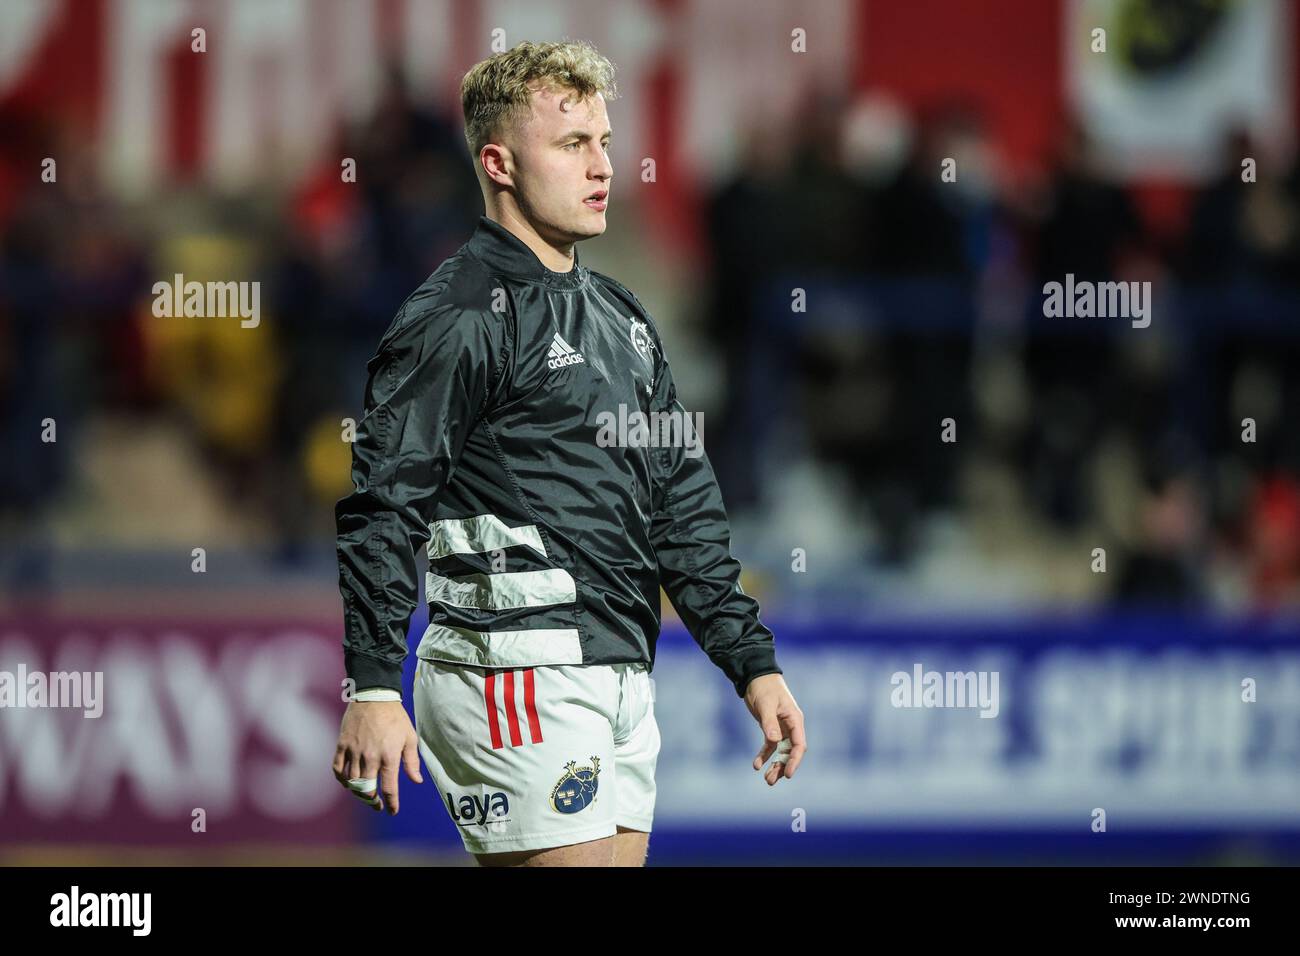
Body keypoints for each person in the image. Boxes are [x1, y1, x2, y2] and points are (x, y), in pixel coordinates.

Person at [331, 39, 805, 867]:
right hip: (514, 666)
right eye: (573, 143)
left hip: (618, 669)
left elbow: (681, 503)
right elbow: (384, 500)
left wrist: (752, 663)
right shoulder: (461, 312)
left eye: (607, 142)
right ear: (499, 163)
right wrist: (373, 682)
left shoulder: (622, 315)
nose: (603, 166)